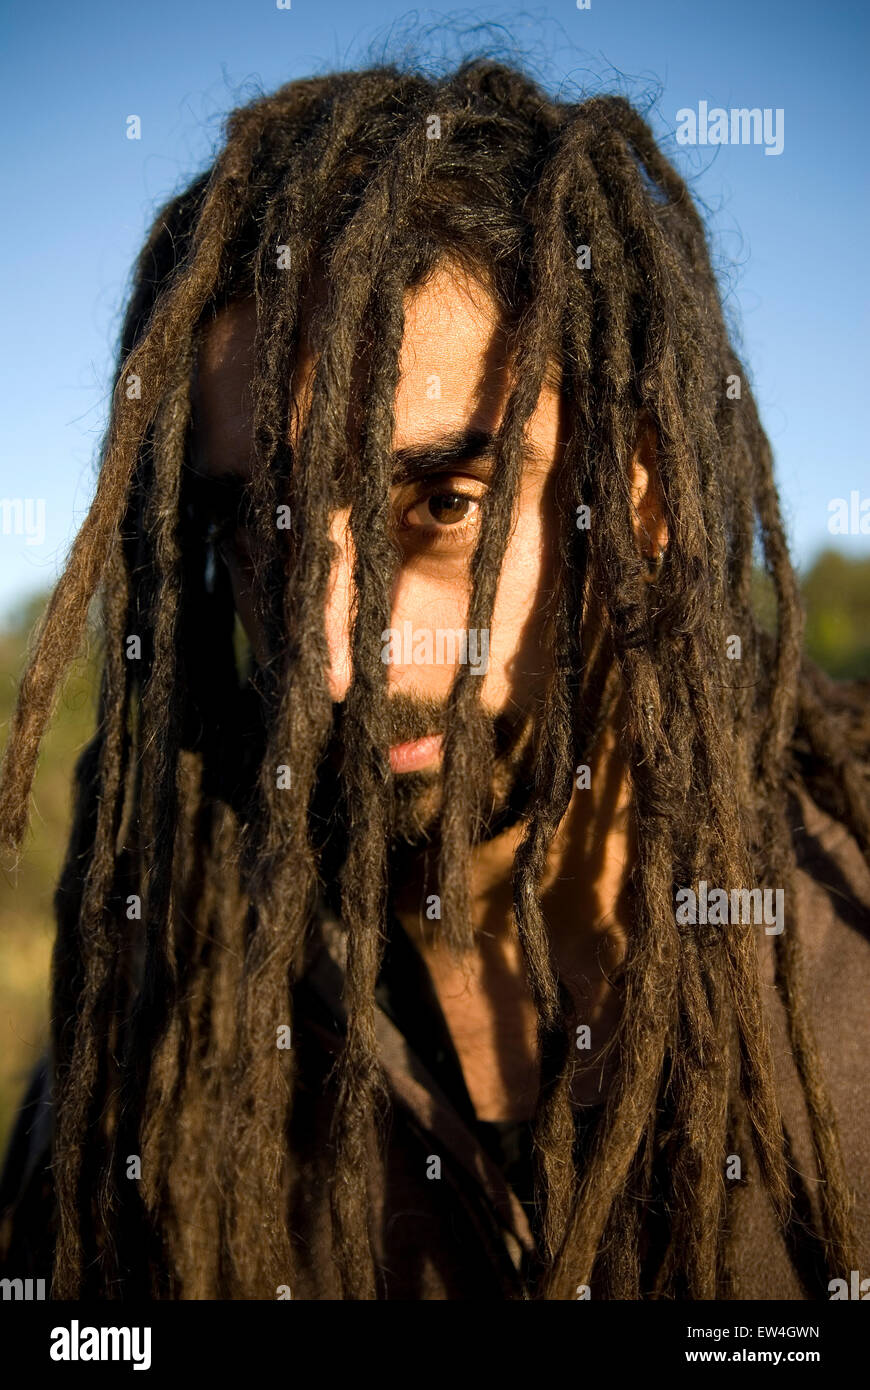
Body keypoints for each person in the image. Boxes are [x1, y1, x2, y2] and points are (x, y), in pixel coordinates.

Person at [0, 58, 868, 1301]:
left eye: (444, 505)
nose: (338, 662)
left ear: (645, 493)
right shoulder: (173, 1012)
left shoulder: (846, 953)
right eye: (267, 537)